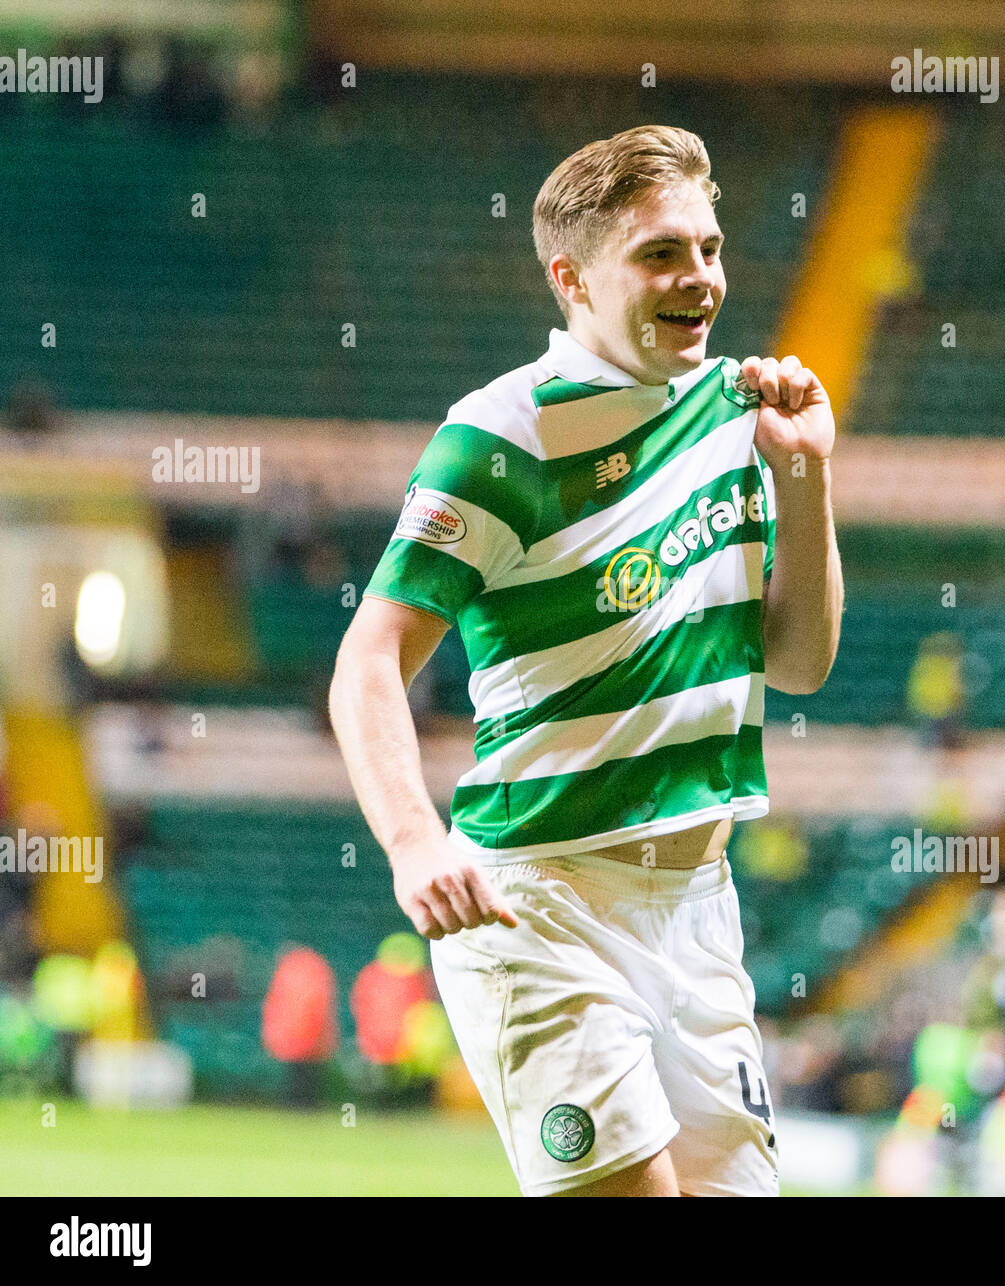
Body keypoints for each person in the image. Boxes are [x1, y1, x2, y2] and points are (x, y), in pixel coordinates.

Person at [330, 125, 843, 1196]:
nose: (697, 276)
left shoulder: (741, 415)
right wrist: (413, 840)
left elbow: (796, 665)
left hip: (701, 908)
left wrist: (805, 479)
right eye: (660, 254)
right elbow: (368, 658)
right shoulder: (499, 436)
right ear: (570, 277)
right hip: (541, 902)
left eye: (707, 248)